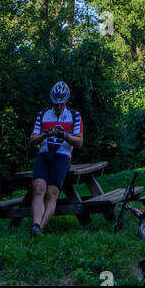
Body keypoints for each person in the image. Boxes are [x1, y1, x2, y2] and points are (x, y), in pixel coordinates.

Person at [28, 81, 83, 236]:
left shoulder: (74, 115)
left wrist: (64, 135)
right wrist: (47, 134)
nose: (58, 106)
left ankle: (40, 228)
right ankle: (35, 224)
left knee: (52, 192)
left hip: (62, 156)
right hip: (44, 154)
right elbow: (32, 140)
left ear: (66, 100)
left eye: (61, 103)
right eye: (55, 103)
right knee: (38, 188)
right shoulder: (43, 114)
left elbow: (79, 142)